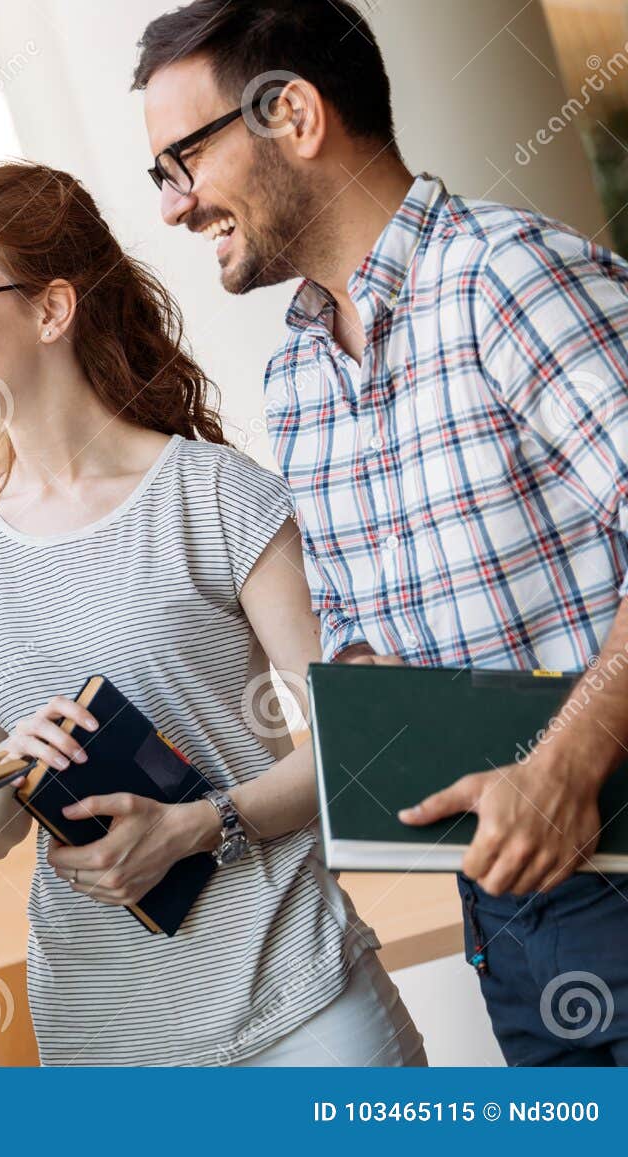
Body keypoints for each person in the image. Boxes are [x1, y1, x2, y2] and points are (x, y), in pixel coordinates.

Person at [136, 0, 628, 1065]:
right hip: (510, 921)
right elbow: (374, 662)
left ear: (296, 115)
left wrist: (564, 765)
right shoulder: (299, 379)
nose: (175, 207)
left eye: (183, 159)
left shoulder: (508, 280)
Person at [0, 161, 423, 1066]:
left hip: (299, 1007)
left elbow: (359, 740)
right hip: (110, 1047)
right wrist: (10, 763)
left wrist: (199, 824)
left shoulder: (214, 495)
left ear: (52, 309)